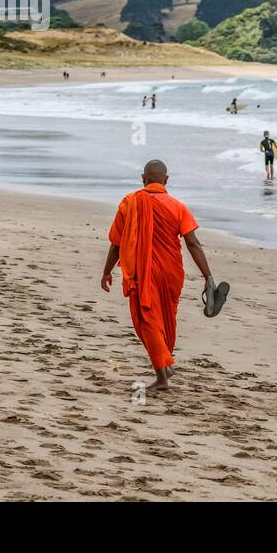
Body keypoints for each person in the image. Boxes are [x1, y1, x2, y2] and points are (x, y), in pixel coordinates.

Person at [101, 160, 214, 392]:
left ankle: (162, 377)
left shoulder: (130, 203)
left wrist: (106, 271)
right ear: (167, 180)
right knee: (164, 317)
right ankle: (164, 362)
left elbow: (116, 244)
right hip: (172, 272)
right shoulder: (178, 206)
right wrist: (208, 276)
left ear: (143, 178)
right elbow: (192, 243)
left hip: (144, 272)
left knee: (148, 320)